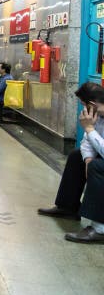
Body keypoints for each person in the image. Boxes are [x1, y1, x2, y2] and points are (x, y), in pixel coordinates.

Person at [38, 82, 104, 243]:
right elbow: (86, 143)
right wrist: (88, 159)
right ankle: (68, 207)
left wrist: (89, 128)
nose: (83, 108)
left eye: (83, 104)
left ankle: (100, 229)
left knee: (98, 166)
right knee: (76, 156)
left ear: (92, 104)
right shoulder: (96, 115)